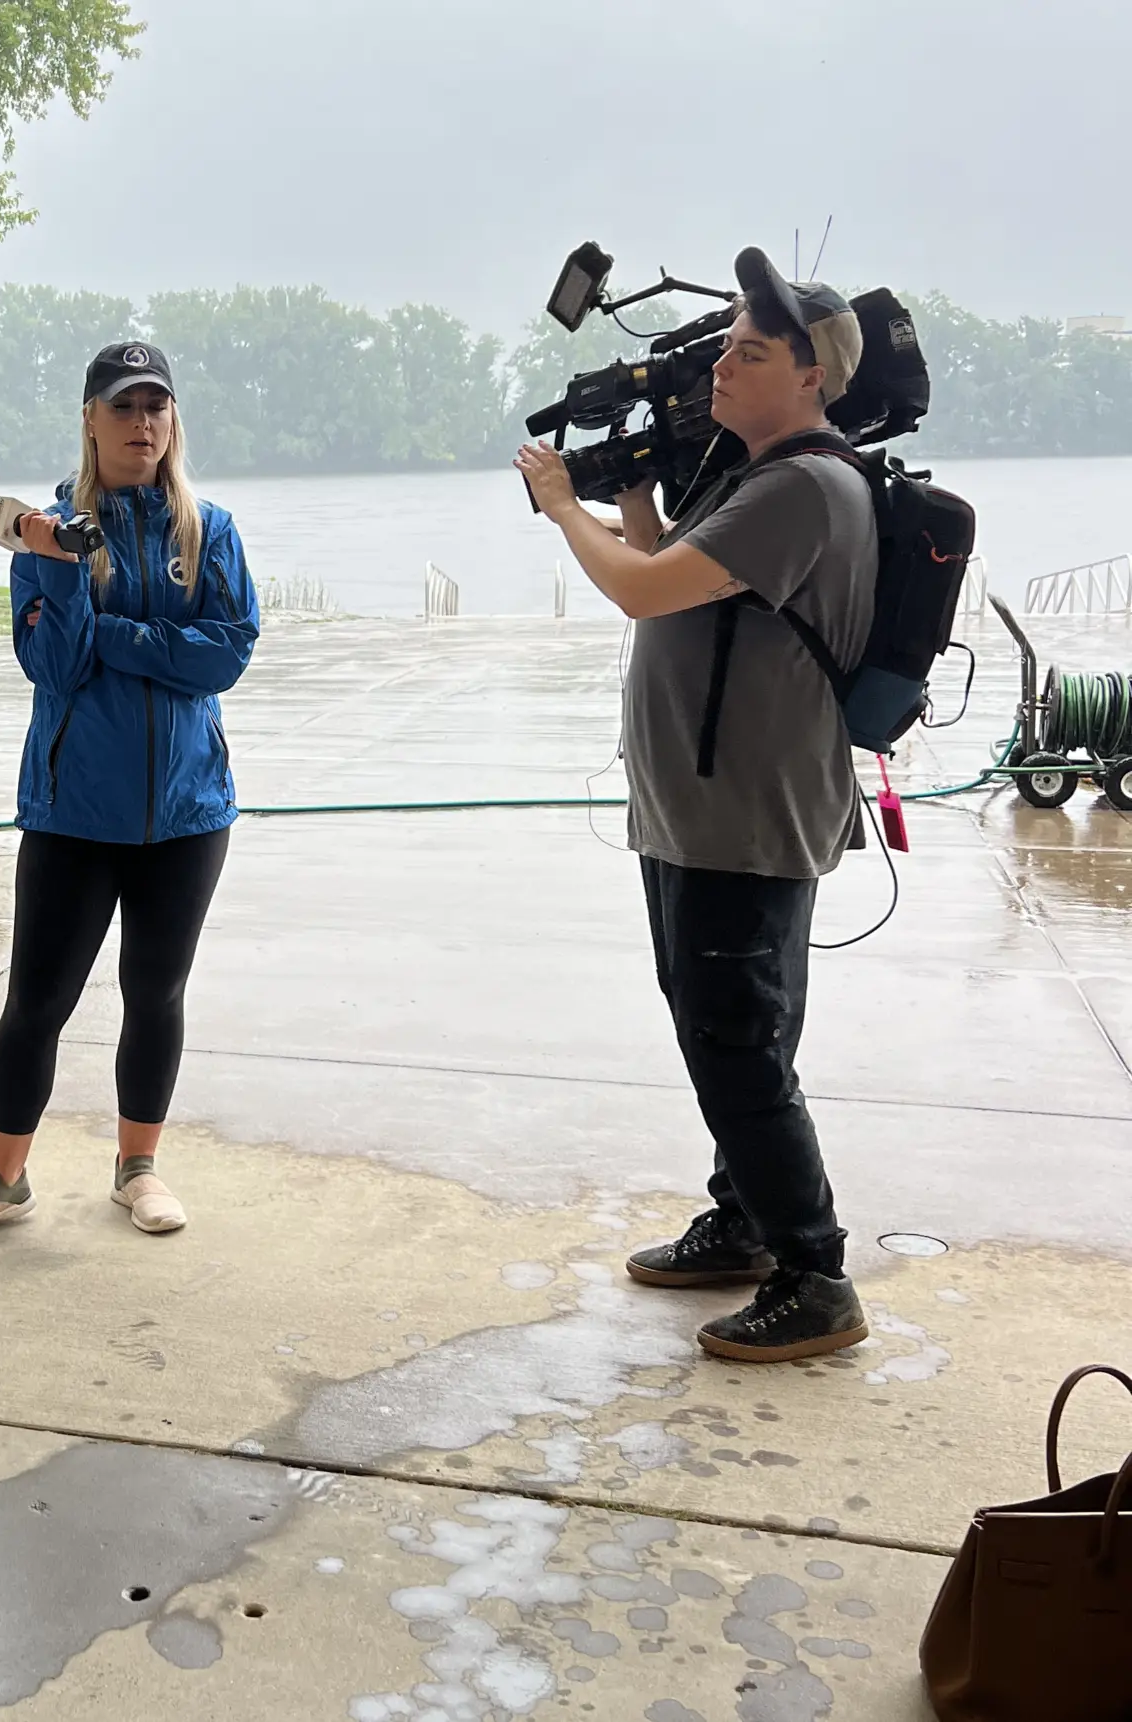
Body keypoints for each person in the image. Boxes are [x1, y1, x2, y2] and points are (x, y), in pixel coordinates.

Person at [513, 247, 876, 1364]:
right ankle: (746, 1220)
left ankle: (813, 1272)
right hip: (700, 806)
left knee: (735, 1041)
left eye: (747, 351)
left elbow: (637, 586)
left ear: (810, 374)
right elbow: (668, 559)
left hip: (742, 815)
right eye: (724, 345)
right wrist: (629, 490)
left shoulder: (802, 487)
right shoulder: (748, 476)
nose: (719, 366)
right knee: (725, 1026)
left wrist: (562, 505)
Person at [0, 342, 260, 1250]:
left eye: (157, 406)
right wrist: (63, 567)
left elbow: (225, 654)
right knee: (37, 1001)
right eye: (124, 407)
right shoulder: (42, 531)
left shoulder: (210, 530)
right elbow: (52, 663)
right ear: (90, 419)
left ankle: (137, 1169)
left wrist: (115, 633)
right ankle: (1, 1181)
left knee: (157, 993)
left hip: (188, 813)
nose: (142, 424)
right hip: (73, 813)